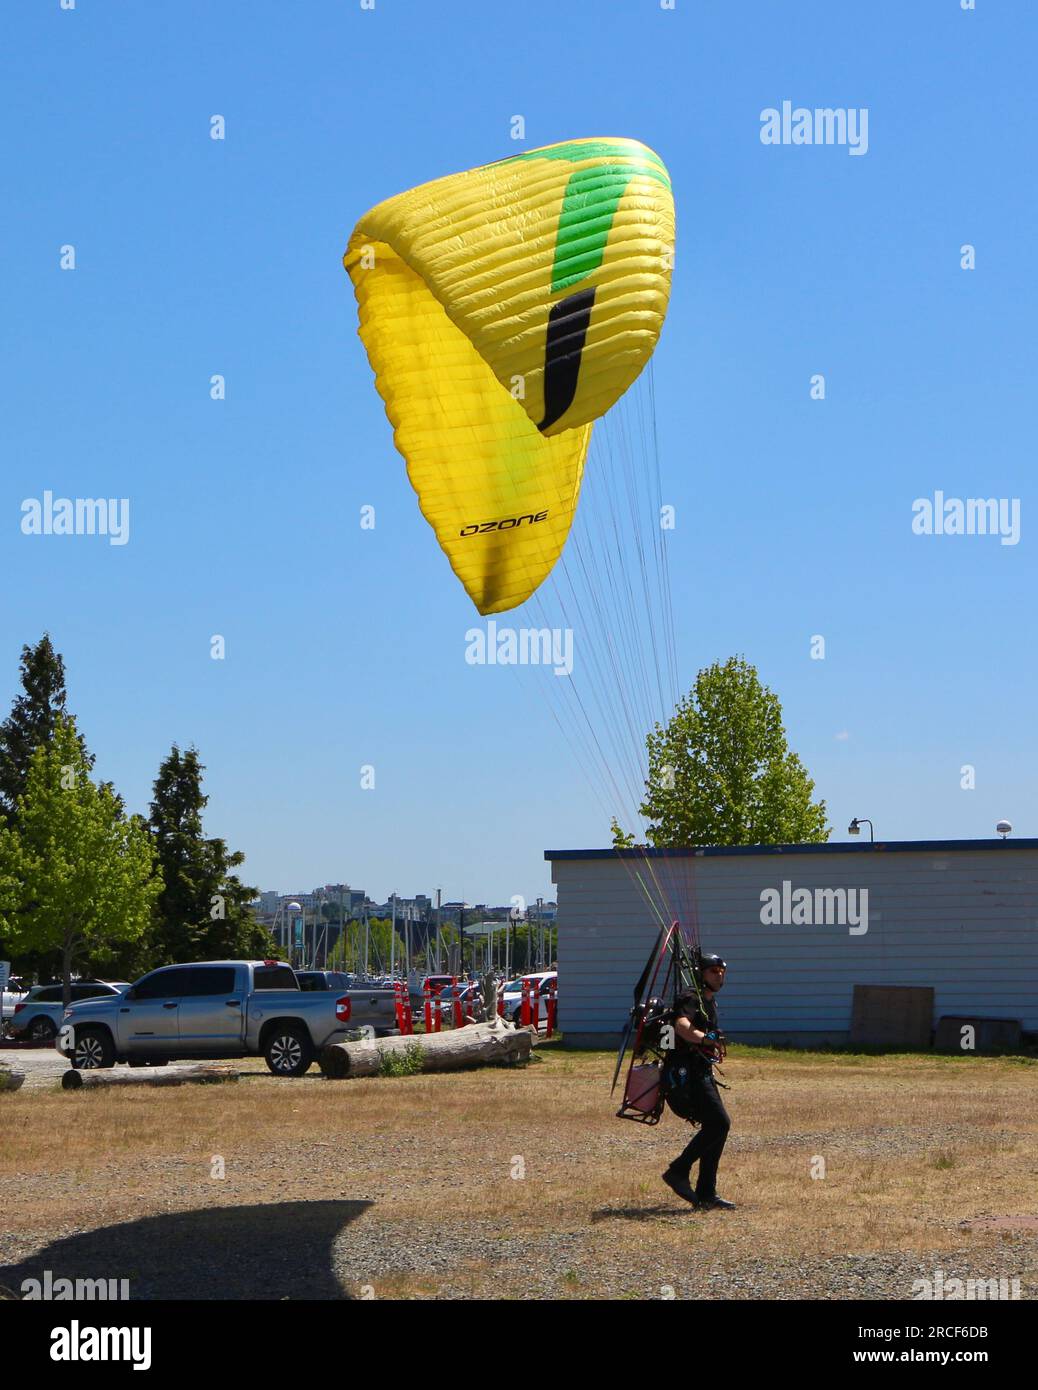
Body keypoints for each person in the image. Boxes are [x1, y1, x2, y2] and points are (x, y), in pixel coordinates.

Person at [661, 953, 734, 1211]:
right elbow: (681, 1026)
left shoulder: (708, 1001)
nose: (720, 975)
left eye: (722, 970)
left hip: (701, 1070)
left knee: (718, 1127)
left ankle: (706, 1193)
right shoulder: (690, 997)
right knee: (720, 1123)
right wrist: (706, 1039)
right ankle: (678, 1171)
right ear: (700, 973)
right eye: (713, 970)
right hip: (687, 1074)